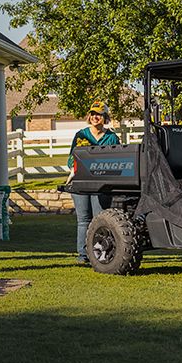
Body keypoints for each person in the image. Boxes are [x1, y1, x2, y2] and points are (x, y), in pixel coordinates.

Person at [67, 100, 121, 264]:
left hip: (101, 185)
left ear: (105, 117)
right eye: (93, 114)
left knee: (99, 219)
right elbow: (71, 159)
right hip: (81, 182)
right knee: (83, 220)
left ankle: (98, 254)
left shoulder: (112, 137)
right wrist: (75, 168)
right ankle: (83, 255)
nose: (95, 117)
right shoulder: (81, 135)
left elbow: (118, 160)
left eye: (99, 114)